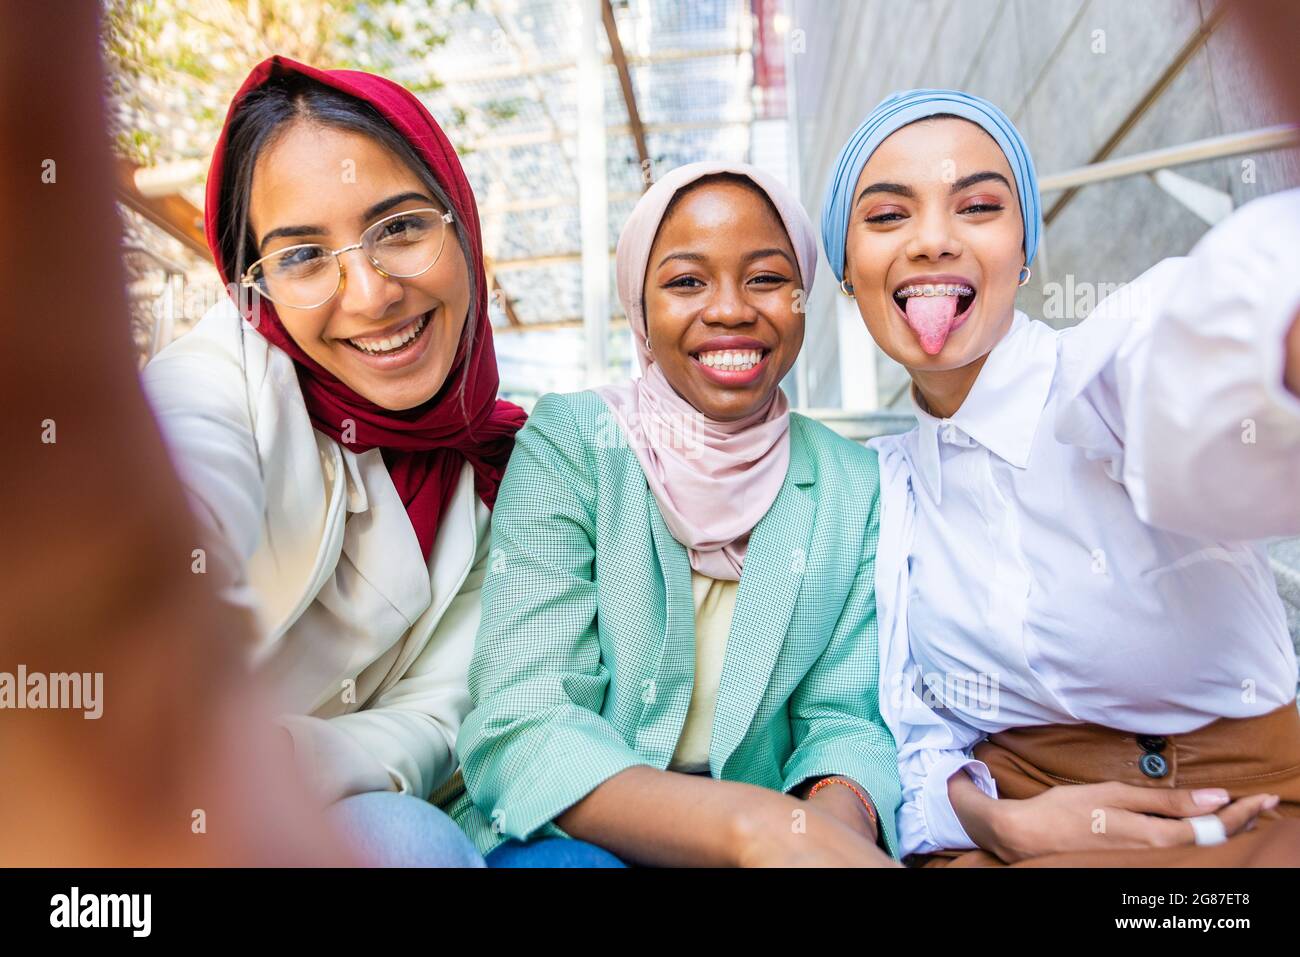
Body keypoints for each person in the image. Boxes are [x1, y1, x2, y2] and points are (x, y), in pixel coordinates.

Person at [821, 88, 1300, 866]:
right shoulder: (879, 487)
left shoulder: (1097, 383)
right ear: (846, 274)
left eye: (977, 206)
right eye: (886, 217)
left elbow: (1186, 361)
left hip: (1238, 821)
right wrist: (991, 820)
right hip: (1004, 835)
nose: (933, 241)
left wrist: (1267, 346)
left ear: (1025, 248)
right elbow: (909, 728)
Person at [445, 162, 902, 867]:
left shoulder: (853, 485)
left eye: (767, 279)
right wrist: (751, 830)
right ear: (641, 309)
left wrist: (823, 840)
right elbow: (526, 715)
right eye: (687, 282)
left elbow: (843, 724)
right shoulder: (573, 444)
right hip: (579, 838)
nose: (729, 310)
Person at [142, 55, 527, 867]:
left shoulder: (494, 468)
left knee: (405, 838)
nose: (371, 293)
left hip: (305, 810)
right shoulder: (221, 382)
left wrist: (275, 761)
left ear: (460, 219)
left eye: (400, 228)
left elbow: (440, 715)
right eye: (303, 256)